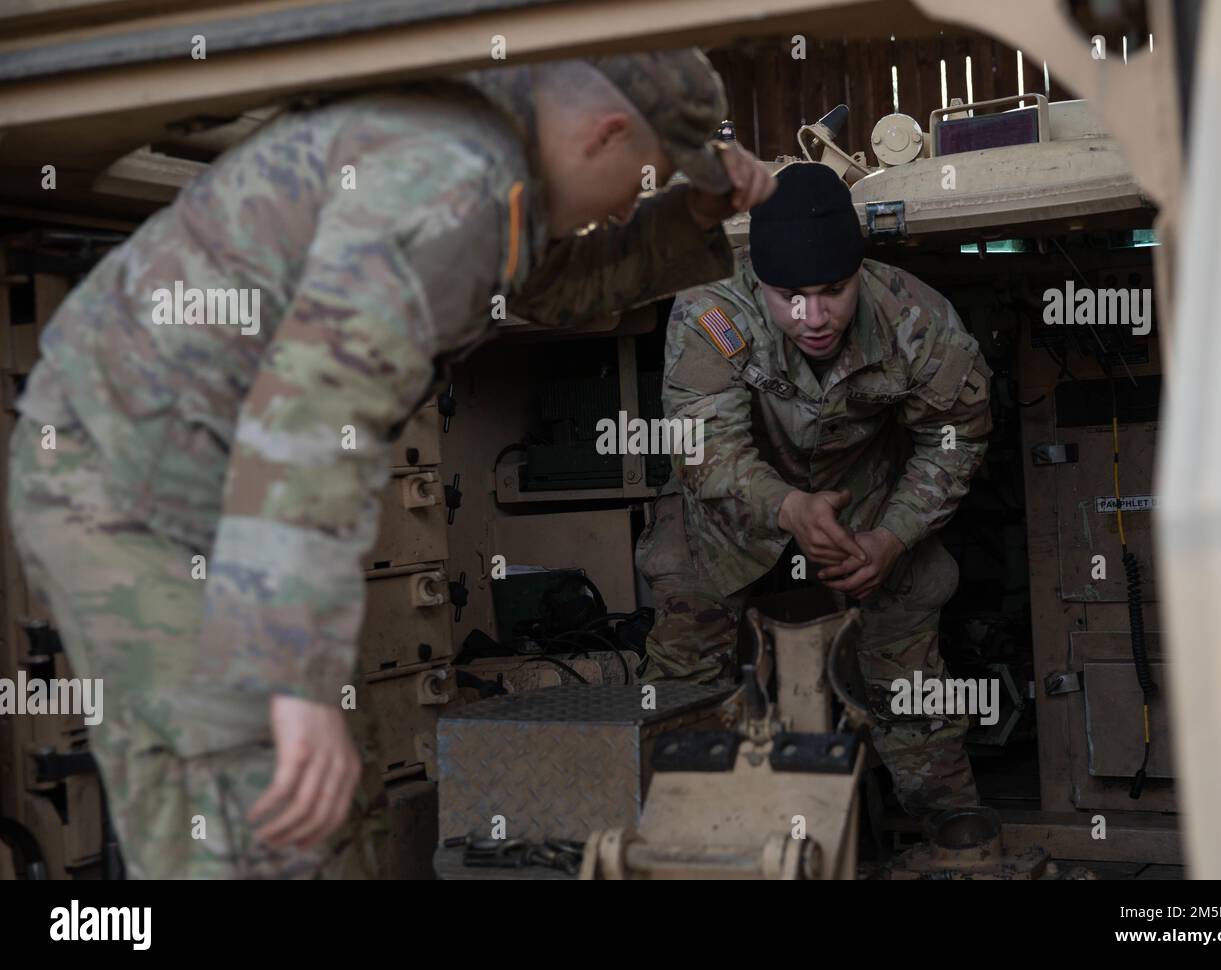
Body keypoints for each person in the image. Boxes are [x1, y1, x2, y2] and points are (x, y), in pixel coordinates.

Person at [6, 49, 775, 877]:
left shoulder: (495, 164)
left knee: (332, 802)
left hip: (233, 478)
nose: (632, 200)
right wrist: (289, 676)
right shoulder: (445, 181)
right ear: (607, 131)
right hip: (133, 481)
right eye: (644, 180)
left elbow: (560, 288)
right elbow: (307, 420)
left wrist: (691, 215)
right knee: (247, 805)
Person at [635, 161, 992, 816]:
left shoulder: (916, 320)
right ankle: (668, 836)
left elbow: (956, 438)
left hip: (871, 509)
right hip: (724, 516)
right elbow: (703, 449)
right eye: (791, 295)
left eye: (834, 289)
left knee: (910, 680)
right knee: (681, 679)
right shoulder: (711, 312)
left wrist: (895, 535)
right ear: (758, 280)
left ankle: (948, 831)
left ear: (860, 272)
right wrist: (788, 508)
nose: (815, 315)